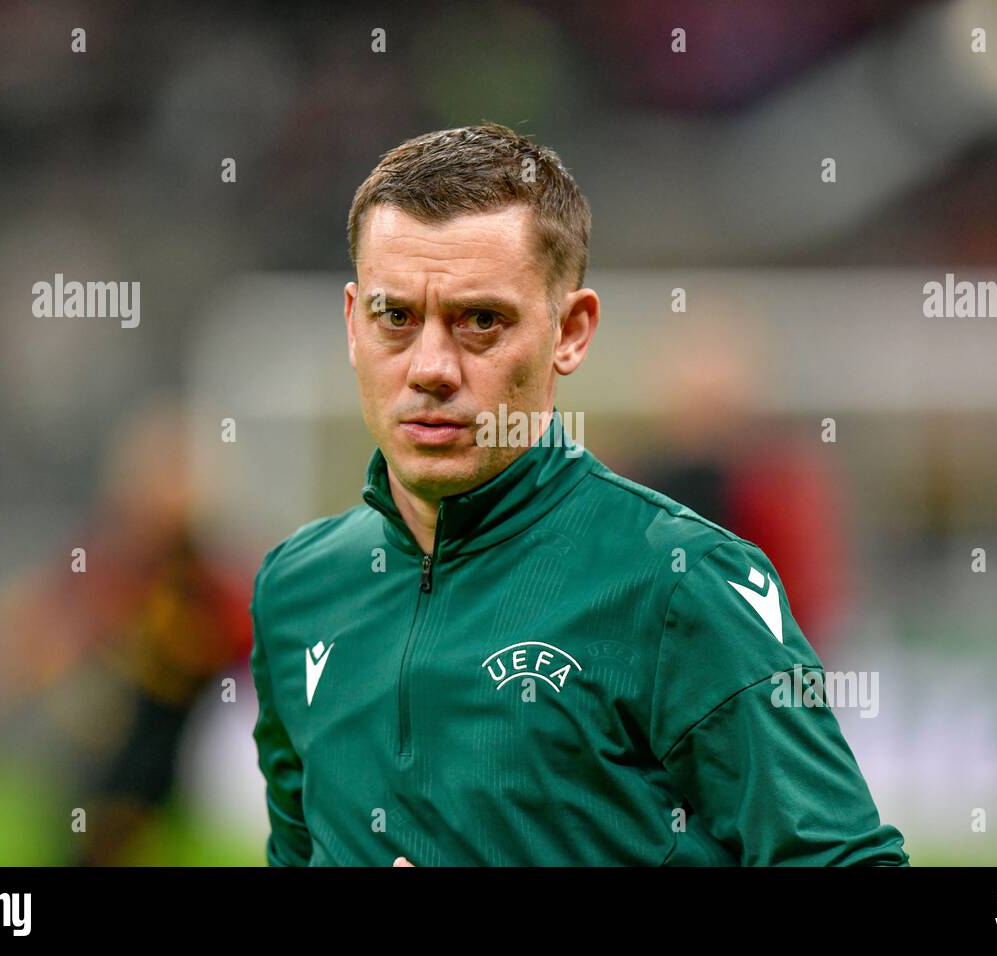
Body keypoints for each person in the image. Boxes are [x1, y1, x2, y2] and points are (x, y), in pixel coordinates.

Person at [249, 122, 908, 866]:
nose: (430, 366)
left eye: (481, 321)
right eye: (395, 317)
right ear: (351, 324)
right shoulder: (295, 590)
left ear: (570, 331)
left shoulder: (681, 583)